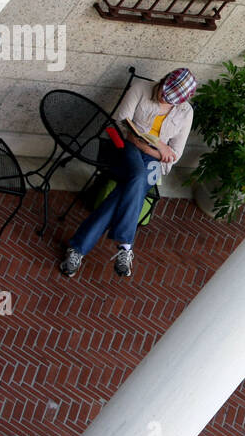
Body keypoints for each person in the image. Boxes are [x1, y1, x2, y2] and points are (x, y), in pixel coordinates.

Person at [59, 68, 197, 279]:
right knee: (138, 180)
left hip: (154, 163)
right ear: (163, 80)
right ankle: (125, 245)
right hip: (125, 148)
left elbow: (174, 155)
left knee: (132, 185)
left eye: (170, 99)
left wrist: (155, 151)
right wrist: (157, 146)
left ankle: (77, 249)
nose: (163, 97)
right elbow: (121, 122)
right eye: (163, 91)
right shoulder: (141, 89)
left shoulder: (186, 112)